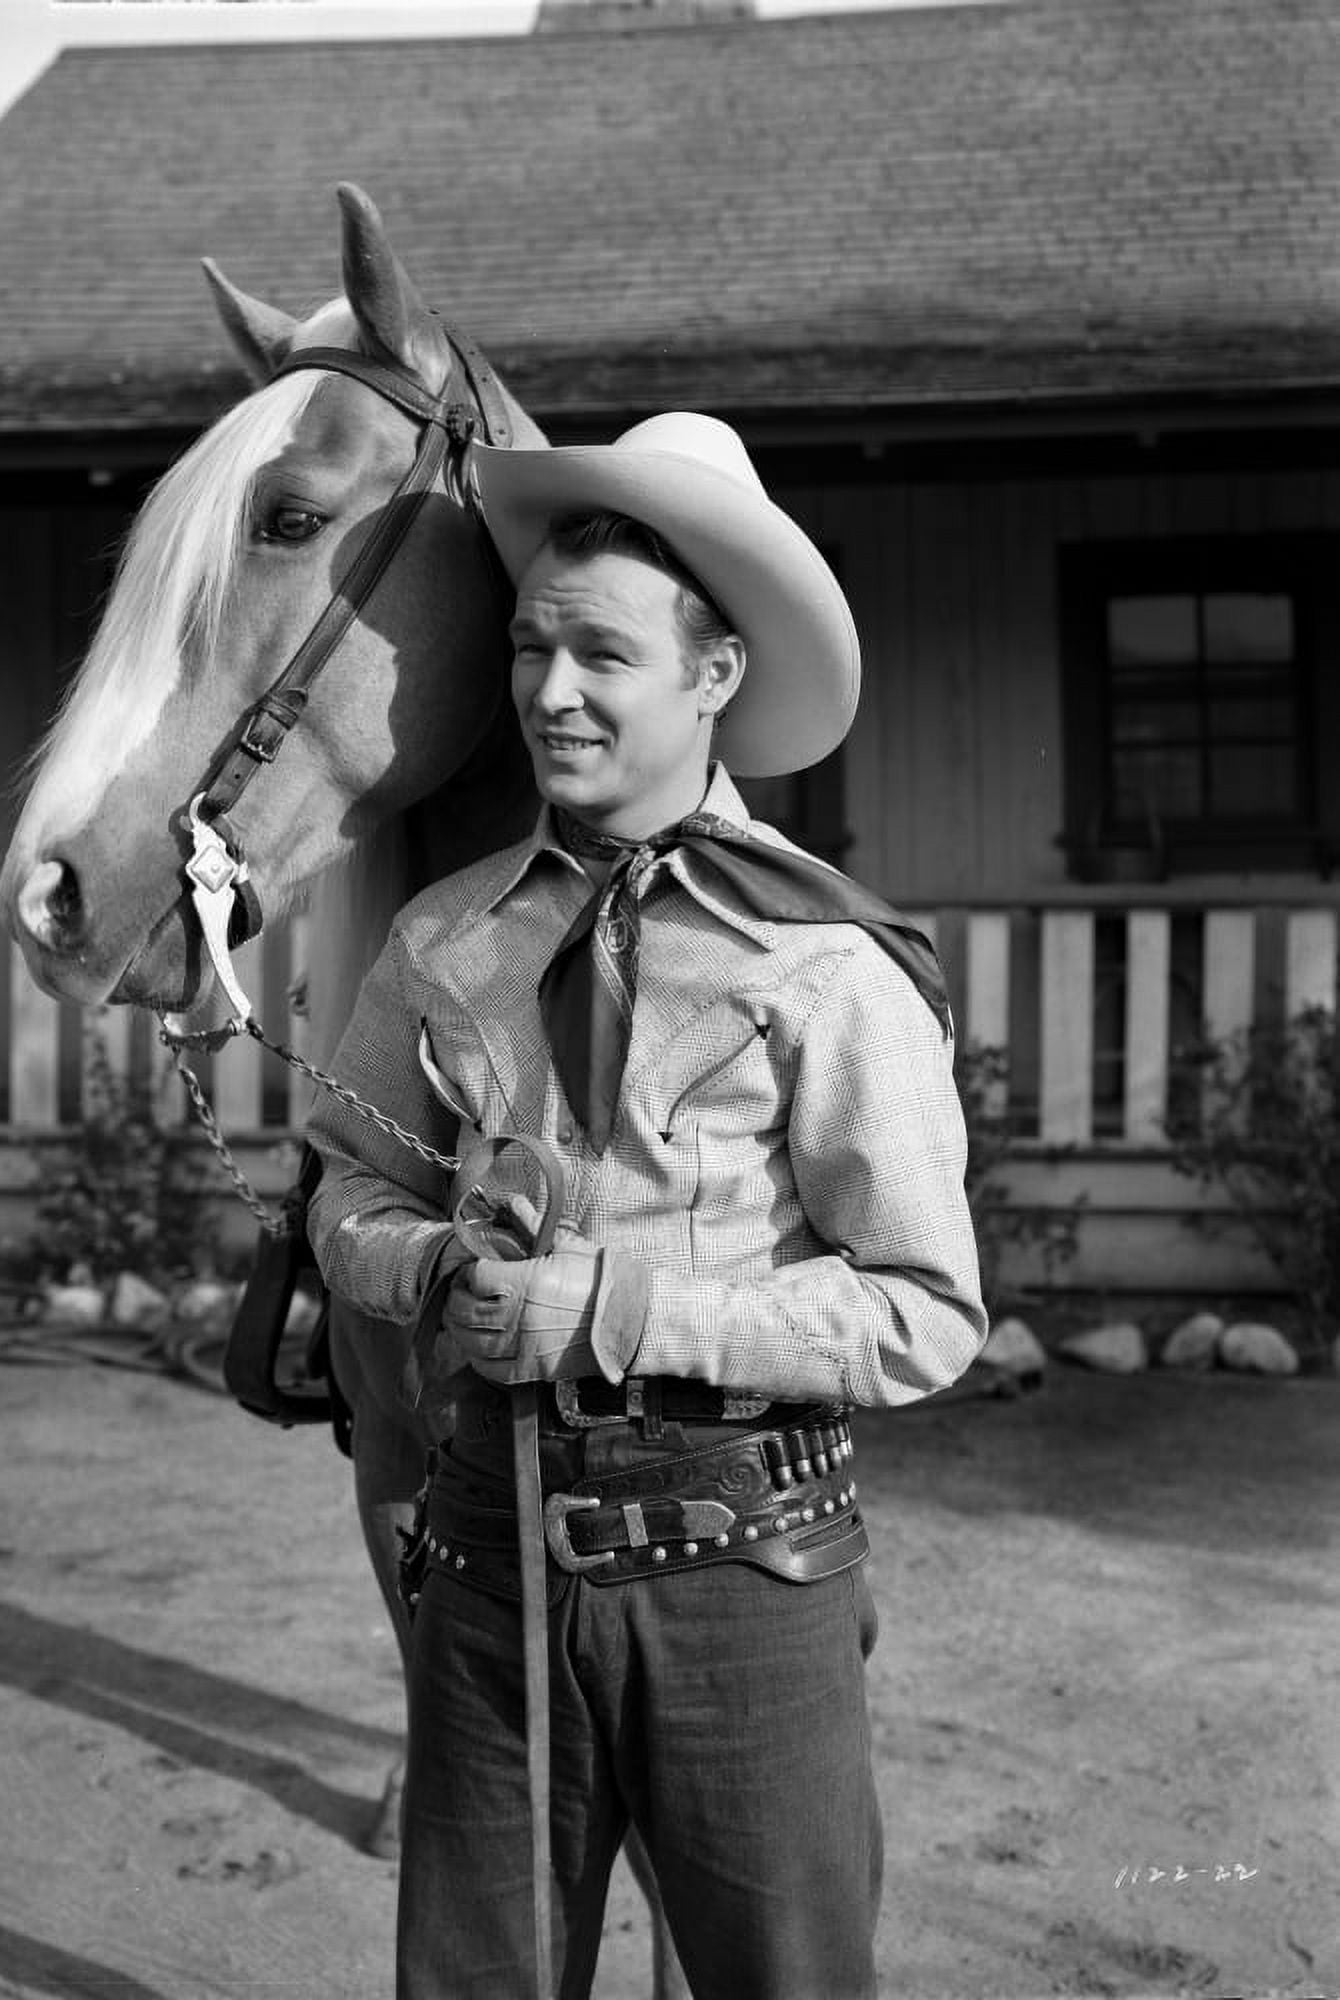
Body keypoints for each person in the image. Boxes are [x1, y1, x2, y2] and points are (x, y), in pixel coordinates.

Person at [305, 412, 987, 2000]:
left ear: (715, 677)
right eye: (534, 649)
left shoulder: (823, 964)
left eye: (602, 655)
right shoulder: (444, 939)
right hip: (486, 1575)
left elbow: (927, 1315)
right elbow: (348, 1188)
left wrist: (615, 1308)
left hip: (744, 1582)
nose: (550, 694)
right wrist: (422, 1264)